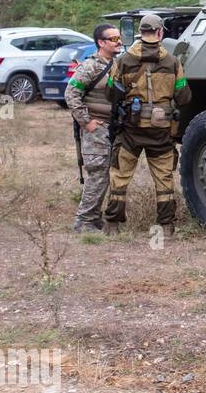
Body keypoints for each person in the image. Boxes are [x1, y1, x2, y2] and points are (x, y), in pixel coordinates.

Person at [103, 13, 191, 235]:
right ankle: (166, 226)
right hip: (161, 132)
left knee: (119, 176)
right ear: (160, 32)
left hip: (130, 130)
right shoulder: (173, 62)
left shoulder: (123, 61)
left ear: (140, 33)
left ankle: (112, 226)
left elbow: (110, 93)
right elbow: (184, 98)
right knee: (164, 179)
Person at [65, 23, 124, 233]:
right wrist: (87, 122)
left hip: (111, 128)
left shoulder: (117, 64)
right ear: (101, 42)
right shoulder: (90, 66)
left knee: (106, 174)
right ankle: (84, 221)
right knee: (98, 173)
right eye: (114, 39)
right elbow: (71, 94)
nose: (119, 42)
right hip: (96, 128)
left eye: (120, 38)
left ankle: (94, 217)